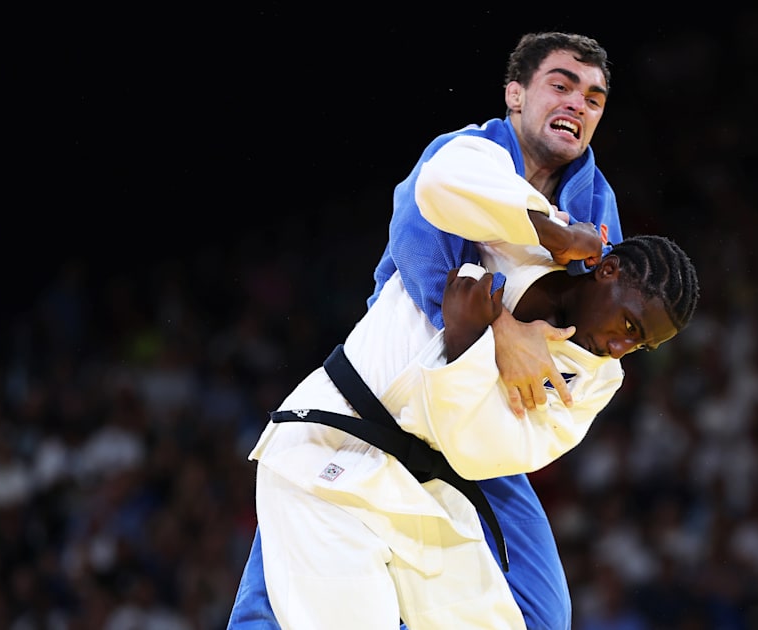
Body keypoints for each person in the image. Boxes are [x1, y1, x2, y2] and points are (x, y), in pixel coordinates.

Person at [229, 31, 626, 628]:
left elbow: (592, 329)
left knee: (544, 614)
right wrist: (501, 334)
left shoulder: (596, 208)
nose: (577, 104)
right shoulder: (464, 154)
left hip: (475, 422)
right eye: (561, 85)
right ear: (515, 95)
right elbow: (421, 260)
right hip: (387, 389)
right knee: (286, 577)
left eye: (593, 98)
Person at [243, 217, 698, 628]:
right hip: (327, 451)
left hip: (429, 487)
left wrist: (470, 342)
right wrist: (544, 237)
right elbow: (437, 182)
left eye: (641, 346)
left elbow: (480, 452)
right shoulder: (506, 239)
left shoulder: (597, 379)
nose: (622, 347)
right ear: (608, 270)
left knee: (531, 620)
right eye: (631, 325)